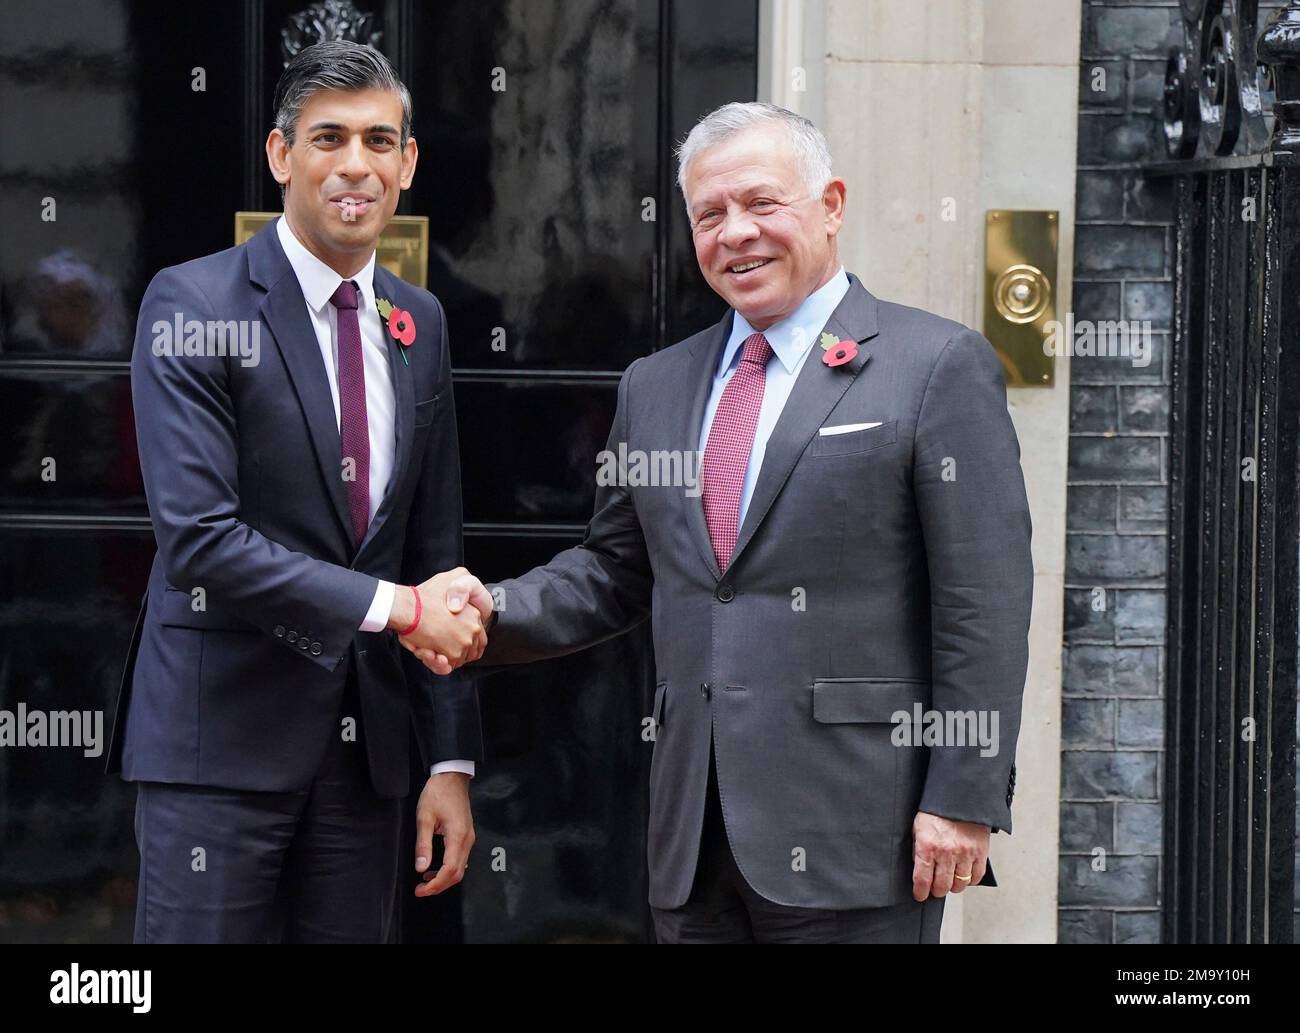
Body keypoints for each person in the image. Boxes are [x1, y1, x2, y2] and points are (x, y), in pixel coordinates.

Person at [414, 101, 1034, 944]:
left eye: (761, 203)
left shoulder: (935, 367)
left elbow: (984, 600)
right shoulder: (657, 384)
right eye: (710, 215)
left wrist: (962, 797)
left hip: (860, 836)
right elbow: (613, 571)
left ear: (832, 205)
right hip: (693, 842)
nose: (735, 232)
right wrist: (489, 610)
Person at [107, 40, 485, 943]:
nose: (357, 163)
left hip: (370, 762)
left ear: (407, 163)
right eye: (329, 138)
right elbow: (201, 538)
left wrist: (451, 759)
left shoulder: (419, 320)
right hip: (219, 749)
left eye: (380, 140)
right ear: (282, 157)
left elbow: (434, 547)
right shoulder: (193, 305)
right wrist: (398, 609)